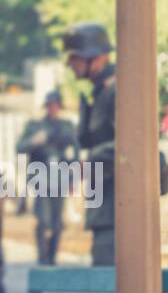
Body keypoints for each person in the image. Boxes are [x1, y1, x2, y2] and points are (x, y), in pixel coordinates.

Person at [63, 23, 117, 267]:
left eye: (74, 57)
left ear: (96, 58)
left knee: (110, 282)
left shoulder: (119, 90)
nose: (69, 64)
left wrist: (89, 163)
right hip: (107, 209)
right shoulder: (98, 93)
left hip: (120, 210)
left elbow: (133, 144)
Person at [16, 91, 77, 264]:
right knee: (44, 220)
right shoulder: (35, 126)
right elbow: (20, 147)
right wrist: (34, 141)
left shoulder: (67, 126)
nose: (54, 108)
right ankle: (42, 258)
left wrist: (73, 179)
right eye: (51, 104)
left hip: (60, 178)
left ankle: (51, 258)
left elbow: (75, 152)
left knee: (57, 223)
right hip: (41, 178)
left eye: (57, 104)